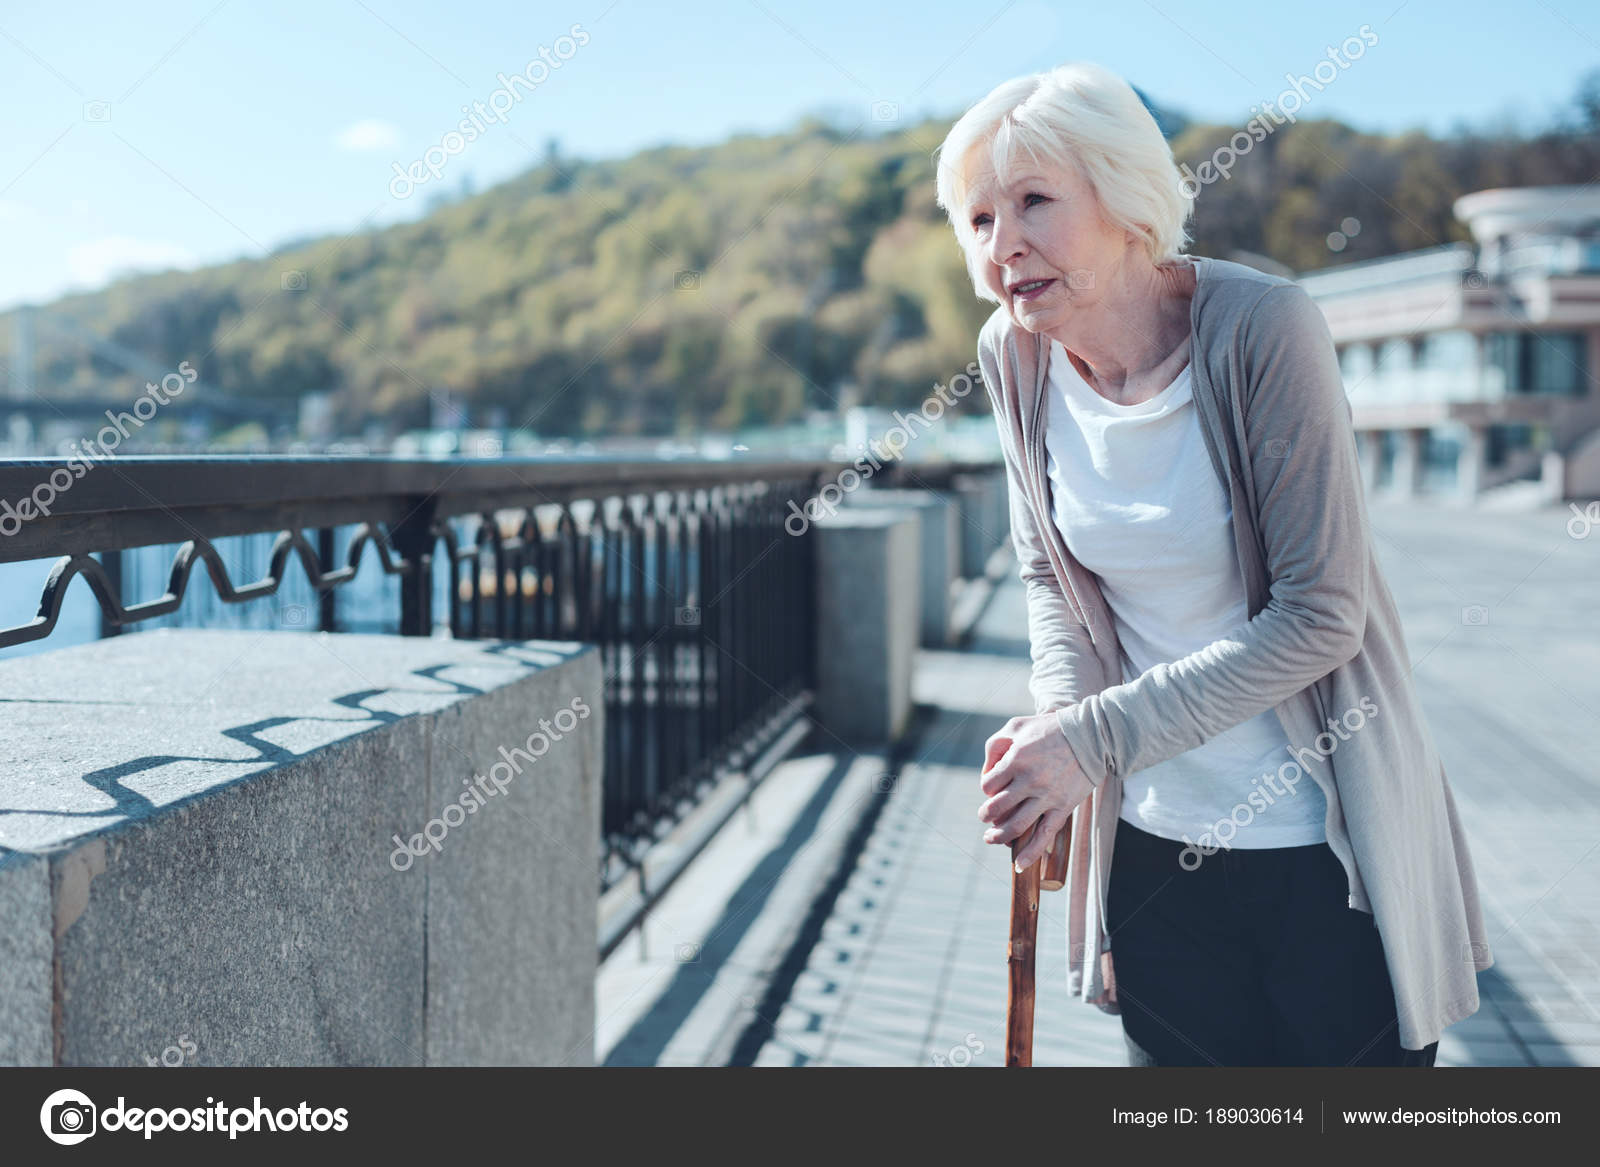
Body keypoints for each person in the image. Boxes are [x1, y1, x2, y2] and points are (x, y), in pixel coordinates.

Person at [935, 61, 1492, 1066]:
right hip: (1151, 856)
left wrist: (1092, 741)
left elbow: (1323, 611)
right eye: (977, 220)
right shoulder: (1012, 355)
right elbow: (1049, 583)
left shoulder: (1262, 329)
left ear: (1123, 199)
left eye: (1032, 203)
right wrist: (1060, 735)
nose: (1002, 243)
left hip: (1323, 856)